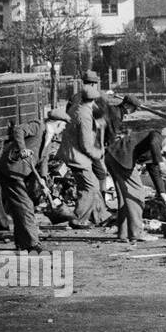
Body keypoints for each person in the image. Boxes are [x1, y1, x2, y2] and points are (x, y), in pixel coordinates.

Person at [104, 96, 166, 243]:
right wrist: (162, 163)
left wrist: (164, 196)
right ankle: (137, 233)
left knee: (125, 198)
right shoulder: (157, 136)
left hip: (113, 157)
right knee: (137, 195)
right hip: (121, 158)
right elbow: (153, 142)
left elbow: (154, 172)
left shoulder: (154, 149)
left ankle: (124, 233)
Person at [0, 108, 70, 252]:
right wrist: (22, 148)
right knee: (26, 206)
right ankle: (32, 244)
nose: (65, 128)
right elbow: (18, 130)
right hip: (11, 170)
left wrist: (43, 179)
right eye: (64, 125)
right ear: (58, 124)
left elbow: (44, 159)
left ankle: (22, 243)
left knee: (19, 208)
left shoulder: (49, 137)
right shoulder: (38, 126)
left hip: (22, 173)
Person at [58, 71, 109, 227]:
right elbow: (86, 144)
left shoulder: (75, 104)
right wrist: (98, 153)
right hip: (77, 155)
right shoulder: (85, 114)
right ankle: (79, 219)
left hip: (72, 150)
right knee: (90, 186)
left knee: (90, 183)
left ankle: (101, 216)